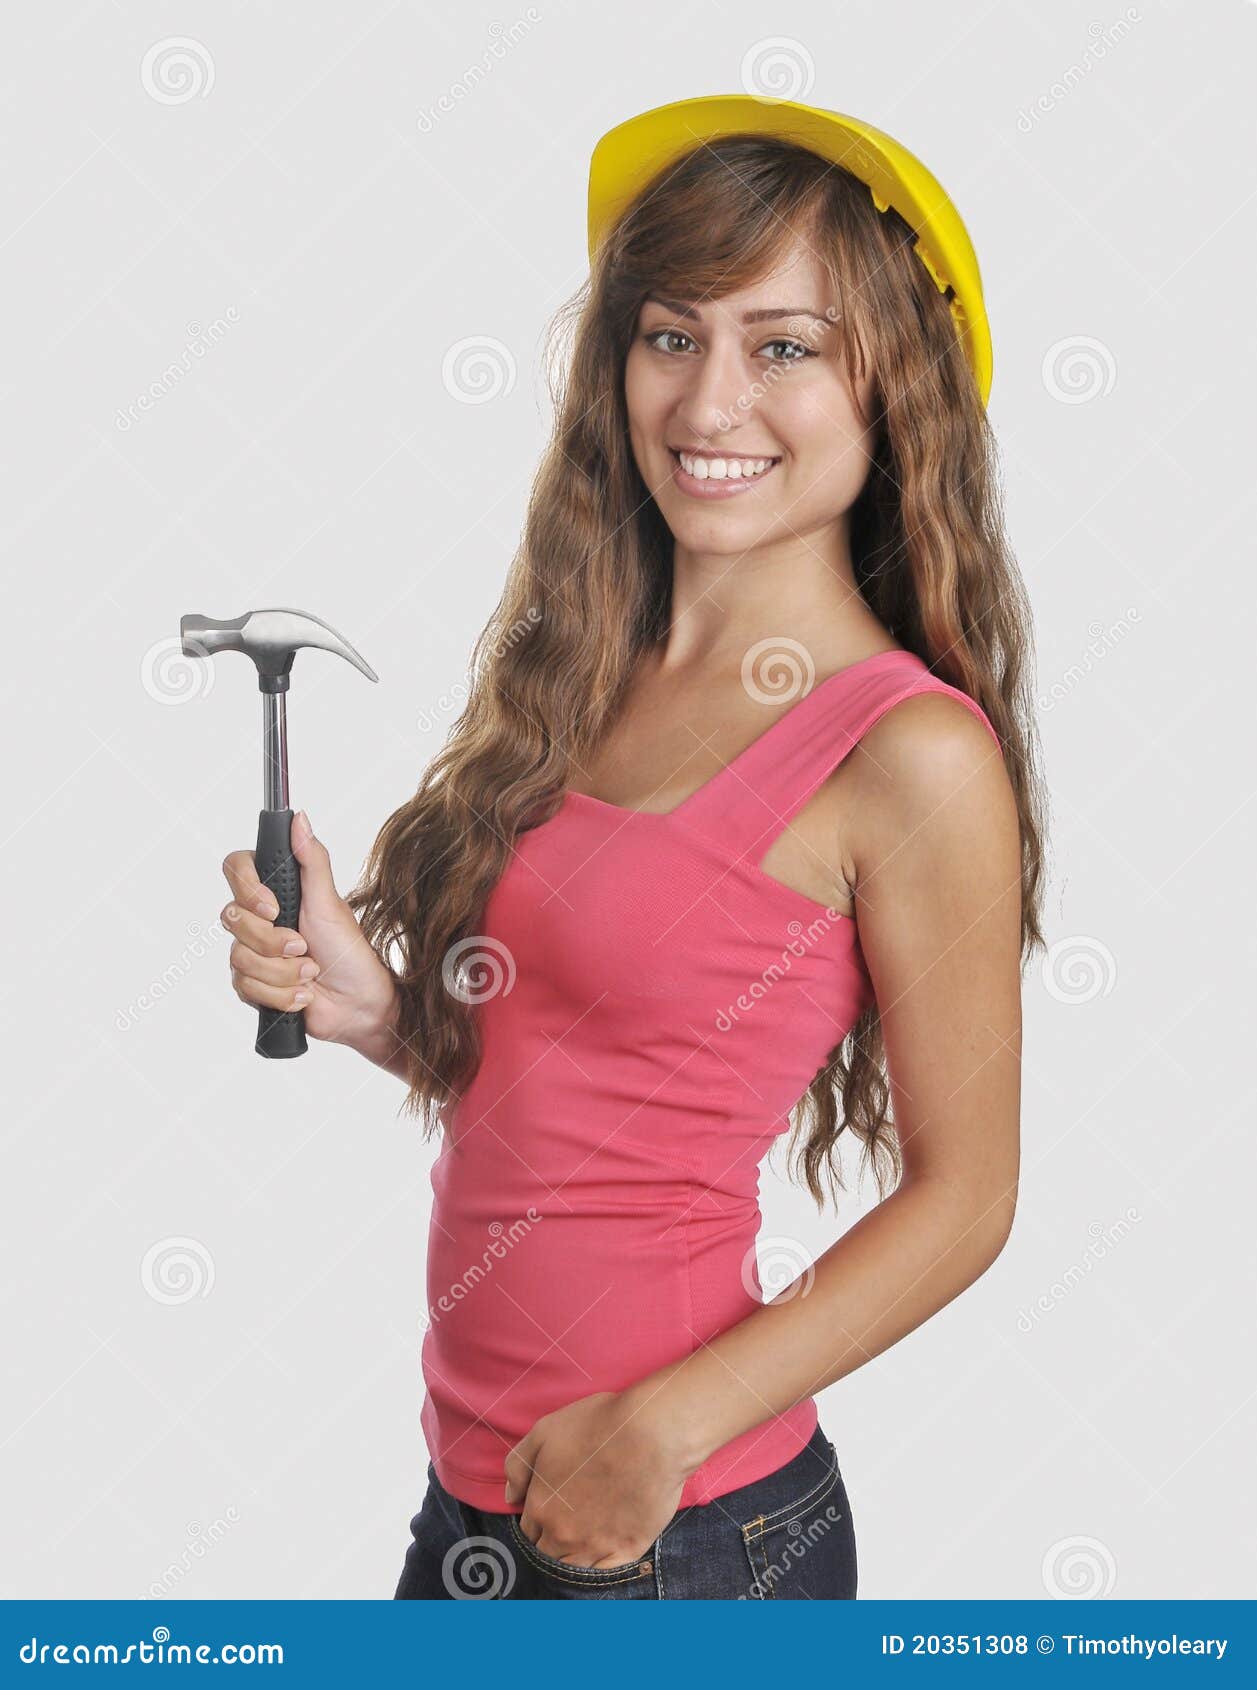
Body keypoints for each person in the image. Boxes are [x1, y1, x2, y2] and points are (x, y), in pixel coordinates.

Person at [219, 95, 1046, 1600]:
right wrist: (379, 1015)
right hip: (473, 1504)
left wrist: (662, 1426)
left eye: (781, 344)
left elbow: (965, 1198)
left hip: (692, 1534)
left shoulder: (904, 753)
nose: (708, 401)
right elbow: (597, 1082)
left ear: (895, 388)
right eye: (671, 334)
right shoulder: (580, 675)